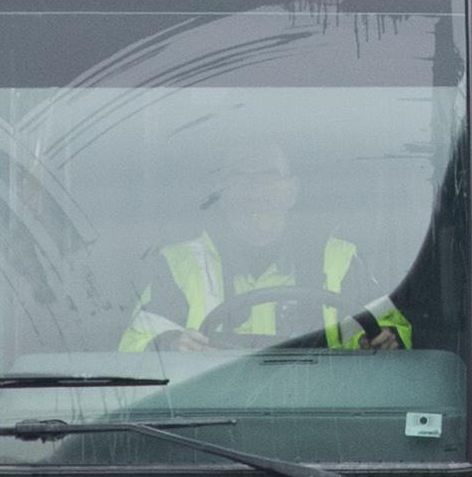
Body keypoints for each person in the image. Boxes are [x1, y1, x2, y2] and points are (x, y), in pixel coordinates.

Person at [122, 142, 410, 352]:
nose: (255, 188)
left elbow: (394, 334)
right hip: (212, 419)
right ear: (222, 191)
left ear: (291, 190)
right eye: (241, 177)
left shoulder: (340, 260)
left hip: (321, 418)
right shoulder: (180, 265)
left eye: (268, 175)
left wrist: (378, 341)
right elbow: (134, 346)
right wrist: (170, 345)